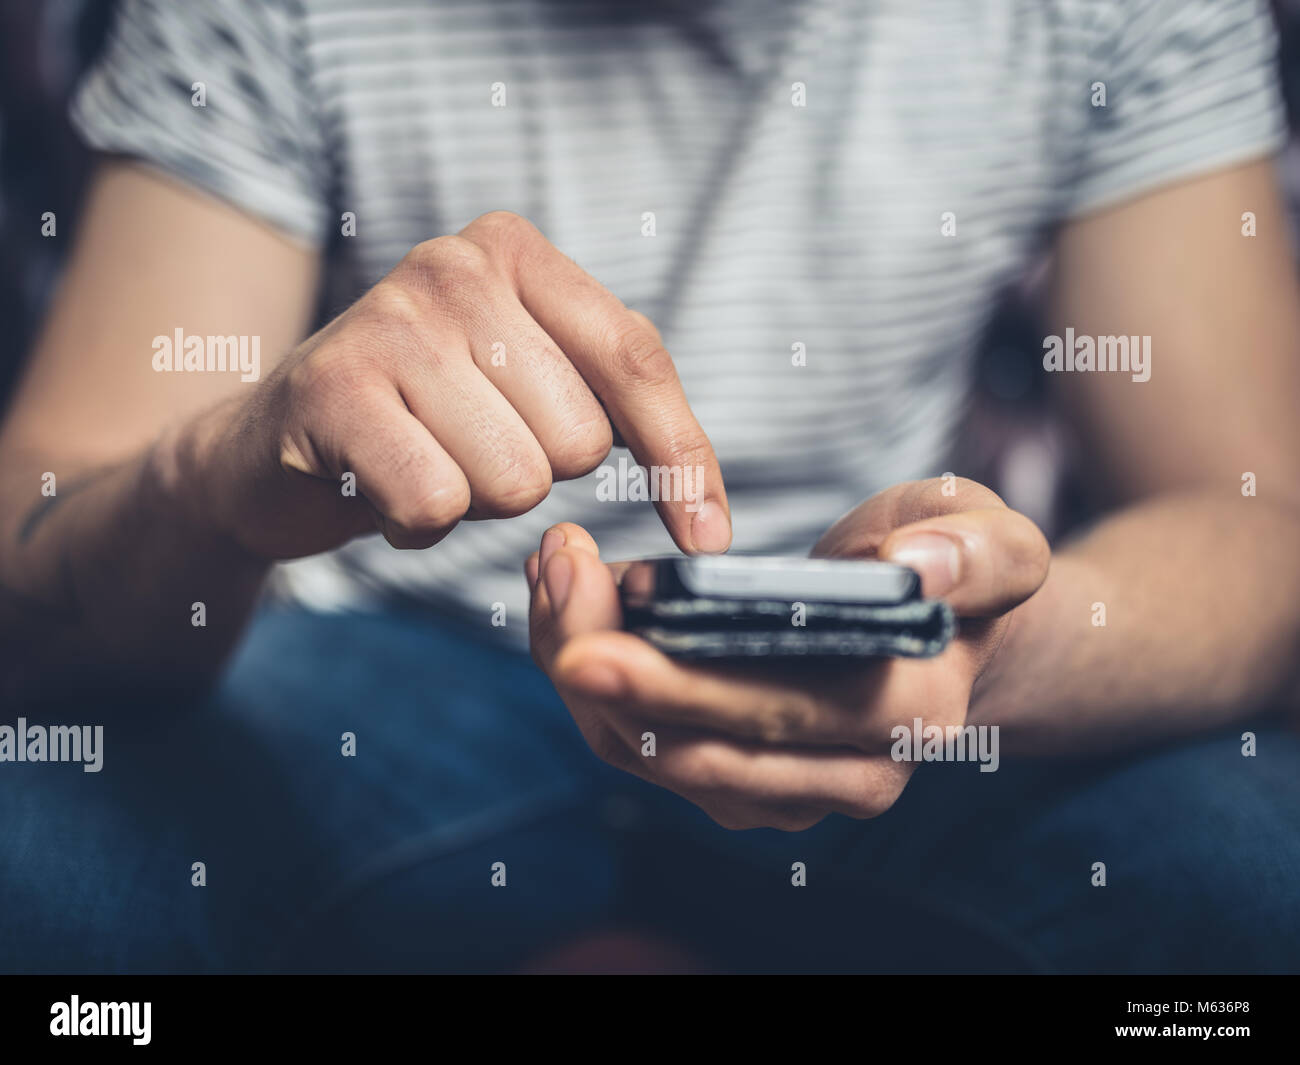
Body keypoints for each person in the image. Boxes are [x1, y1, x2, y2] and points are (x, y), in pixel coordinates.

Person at [1, 0, 1297, 973]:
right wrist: (215, 469)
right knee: (33, 878)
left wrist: (994, 646)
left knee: (1257, 886)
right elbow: (29, 575)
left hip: (922, 708)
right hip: (372, 661)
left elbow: (1263, 525)